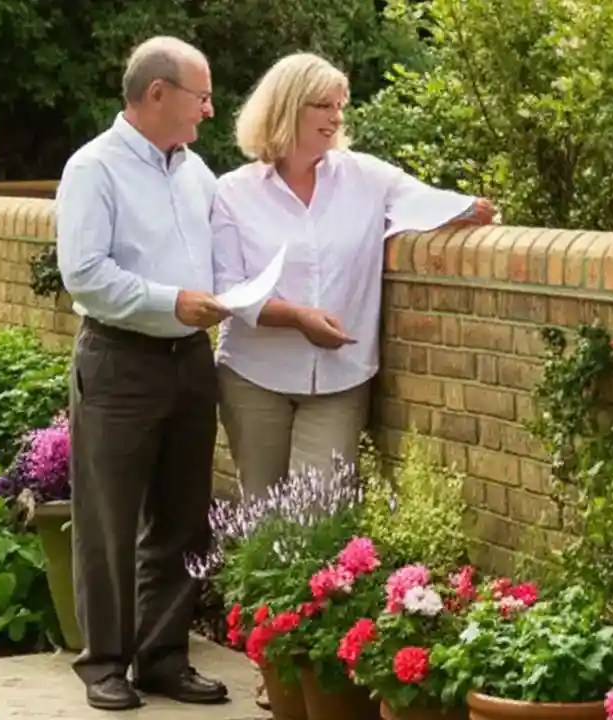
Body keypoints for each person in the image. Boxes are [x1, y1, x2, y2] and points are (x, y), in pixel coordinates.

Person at [212, 51, 496, 504]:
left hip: (340, 377)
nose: (335, 117)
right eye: (323, 105)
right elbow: (228, 290)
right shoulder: (233, 192)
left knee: (319, 515)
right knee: (261, 514)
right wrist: (299, 317)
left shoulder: (366, 177)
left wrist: (472, 209)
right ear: (287, 108)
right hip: (254, 376)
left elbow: (426, 202)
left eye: (339, 105)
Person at [54, 36, 230, 712]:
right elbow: (87, 275)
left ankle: (163, 658)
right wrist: (171, 302)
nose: (209, 111)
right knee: (109, 520)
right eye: (201, 95)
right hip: (119, 362)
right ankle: (104, 663)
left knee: (184, 520)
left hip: (190, 362)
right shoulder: (93, 169)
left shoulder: (195, 170)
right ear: (157, 93)